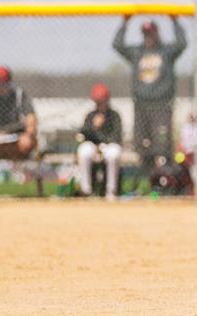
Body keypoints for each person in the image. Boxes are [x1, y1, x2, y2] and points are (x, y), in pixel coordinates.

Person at [112, 15, 187, 177]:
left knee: (162, 145)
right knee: (142, 146)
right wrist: (125, 23)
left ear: (157, 34)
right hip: (141, 106)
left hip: (161, 106)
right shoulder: (137, 52)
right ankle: (151, 180)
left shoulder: (166, 51)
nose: (148, 37)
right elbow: (117, 45)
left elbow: (182, 43)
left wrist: (175, 21)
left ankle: (166, 181)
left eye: (150, 33)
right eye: (145, 34)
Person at [0, 66, 38, 199]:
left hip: (15, 141)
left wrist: (29, 134)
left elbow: (31, 118)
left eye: (3, 83)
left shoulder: (19, 95)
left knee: (28, 142)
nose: (1, 86)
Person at [76, 83, 124, 199]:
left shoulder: (114, 116)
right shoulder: (90, 116)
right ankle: (86, 190)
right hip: (93, 147)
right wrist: (94, 127)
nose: (99, 104)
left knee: (114, 153)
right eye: (97, 101)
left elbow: (116, 137)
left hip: (108, 147)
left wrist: (102, 144)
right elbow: (83, 135)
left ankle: (111, 191)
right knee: (84, 150)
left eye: (102, 101)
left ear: (107, 100)